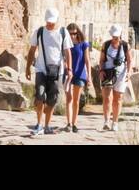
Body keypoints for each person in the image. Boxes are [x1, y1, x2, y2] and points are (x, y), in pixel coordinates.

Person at [25, 8, 72, 136]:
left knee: (52, 99)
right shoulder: (39, 32)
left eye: (52, 21)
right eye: (48, 21)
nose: (50, 24)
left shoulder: (63, 32)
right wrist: (28, 67)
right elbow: (32, 50)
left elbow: (67, 52)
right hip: (41, 69)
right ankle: (39, 125)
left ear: (57, 20)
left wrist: (70, 69)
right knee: (40, 96)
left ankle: (47, 126)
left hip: (57, 71)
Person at [97, 24, 131, 131]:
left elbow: (129, 60)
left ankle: (115, 122)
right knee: (107, 98)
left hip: (121, 74)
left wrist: (129, 72)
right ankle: (106, 121)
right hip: (107, 73)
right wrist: (101, 70)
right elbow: (102, 60)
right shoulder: (106, 45)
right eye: (113, 36)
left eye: (116, 37)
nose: (114, 39)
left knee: (118, 99)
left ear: (120, 35)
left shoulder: (125, 46)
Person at [65, 23, 91, 132]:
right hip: (68, 74)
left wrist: (89, 76)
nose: (72, 36)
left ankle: (74, 123)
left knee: (76, 100)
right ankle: (69, 123)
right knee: (69, 98)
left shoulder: (83, 44)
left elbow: (87, 60)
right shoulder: (65, 44)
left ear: (78, 32)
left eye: (74, 33)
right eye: (70, 34)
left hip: (80, 74)